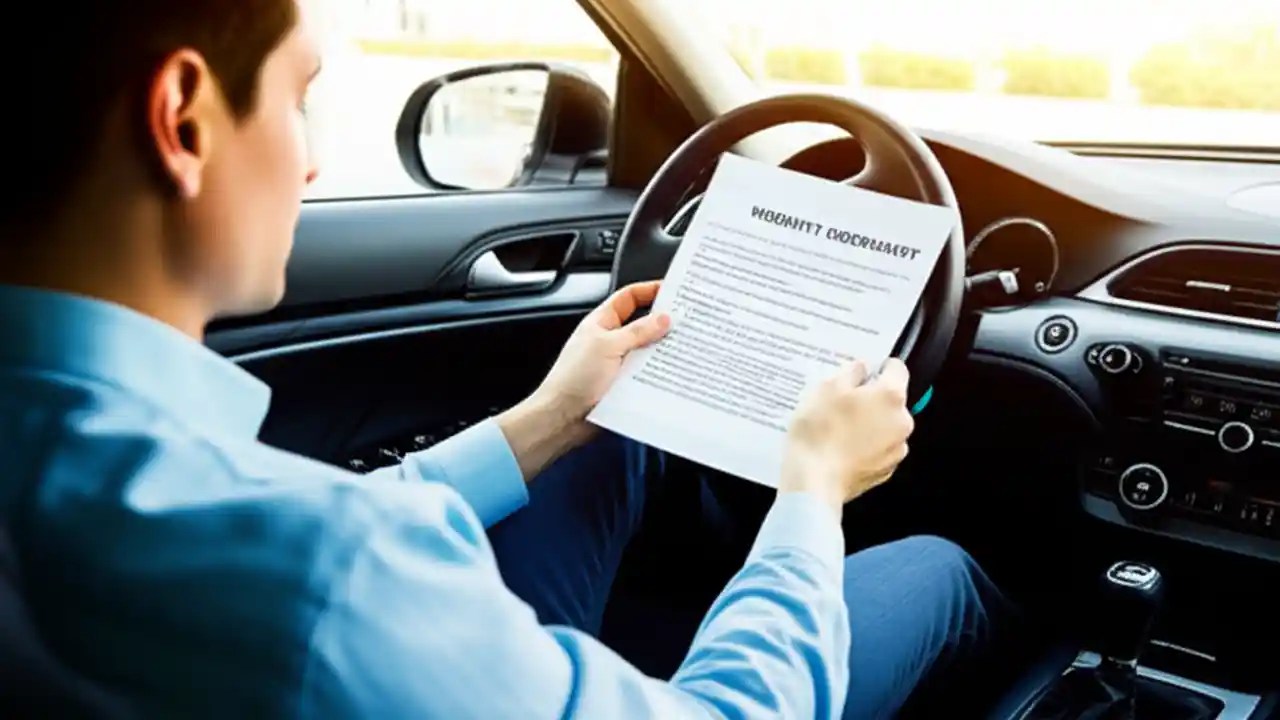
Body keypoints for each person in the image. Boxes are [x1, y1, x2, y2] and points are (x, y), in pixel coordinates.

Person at [0, 1, 1013, 718]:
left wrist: (552, 415)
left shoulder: (131, 487)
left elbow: (305, 535)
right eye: (297, 95)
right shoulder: (334, 574)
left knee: (607, 442)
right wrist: (812, 492)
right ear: (182, 118)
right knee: (941, 572)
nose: (308, 159)